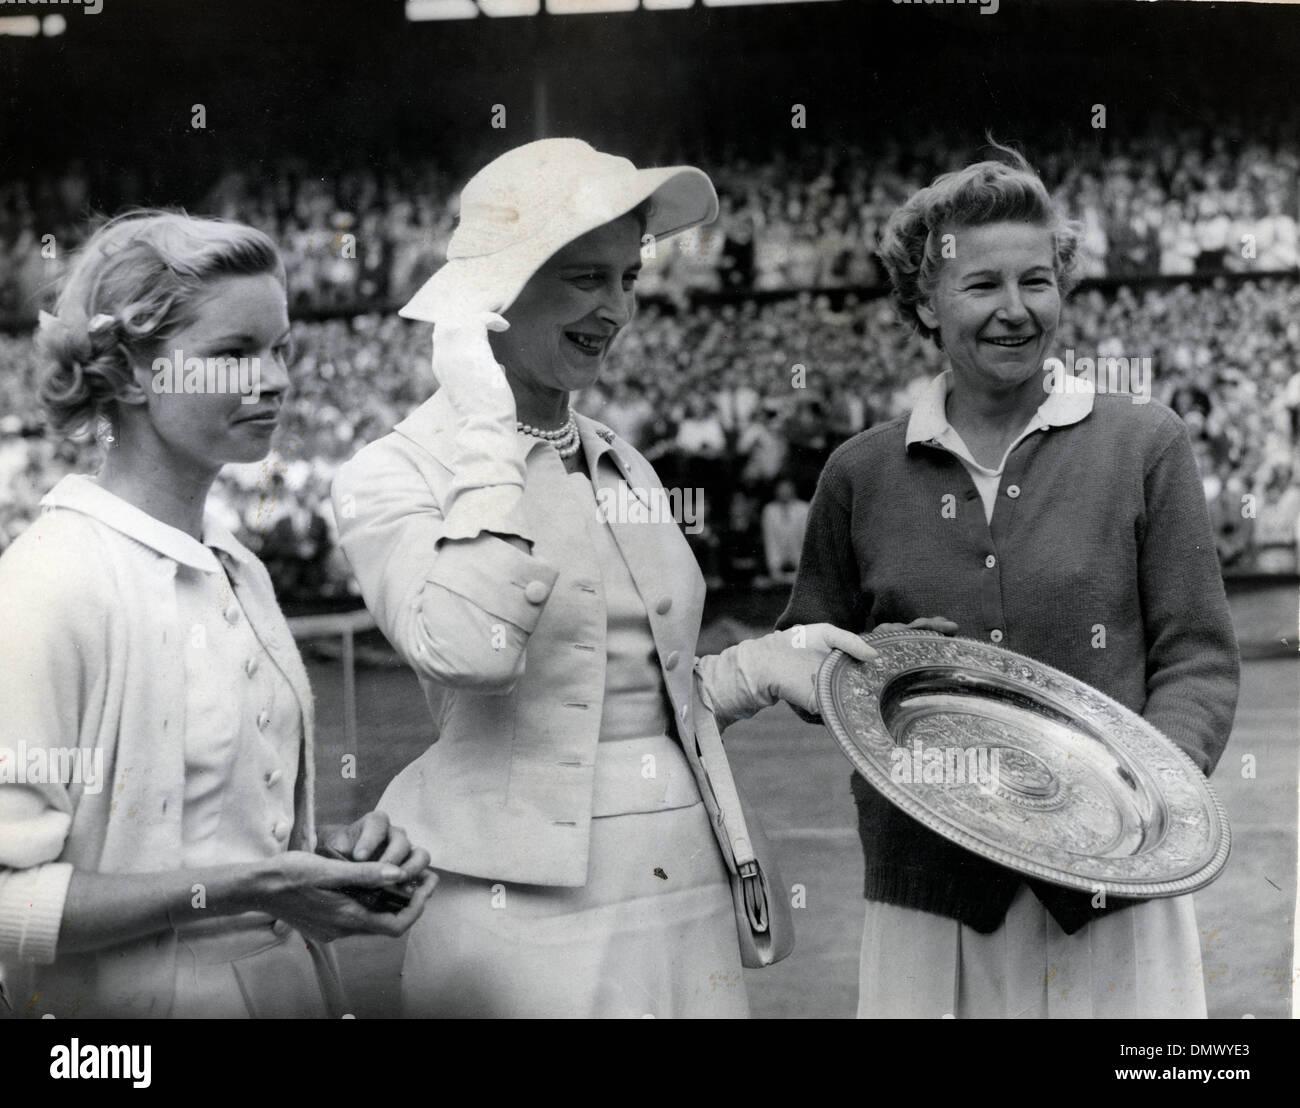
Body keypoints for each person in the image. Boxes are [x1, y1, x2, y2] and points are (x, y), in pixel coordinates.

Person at [331, 139, 873, 1018]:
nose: (617, 309)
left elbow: (636, 688)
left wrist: (761, 667)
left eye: (627, 278)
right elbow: (471, 649)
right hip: (517, 907)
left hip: (683, 876)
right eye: (586, 277)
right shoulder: (393, 472)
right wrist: (484, 426)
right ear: (494, 297)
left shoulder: (622, 461)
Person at [779, 148, 1240, 1019]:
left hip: (1113, 895)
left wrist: (1138, 808)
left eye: (1038, 281)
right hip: (932, 898)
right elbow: (814, 656)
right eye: (982, 285)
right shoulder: (859, 472)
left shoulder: (1146, 443)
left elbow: (1199, 657)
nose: (1016, 310)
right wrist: (872, 666)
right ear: (924, 300)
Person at [0, 211, 436, 1019]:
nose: (273, 379)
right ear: (131, 374)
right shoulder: (48, 581)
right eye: (233, 354)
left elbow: (237, 841)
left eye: (281, 351)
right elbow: (7, 906)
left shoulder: (239, 567)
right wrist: (259, 884)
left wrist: (321, 868)